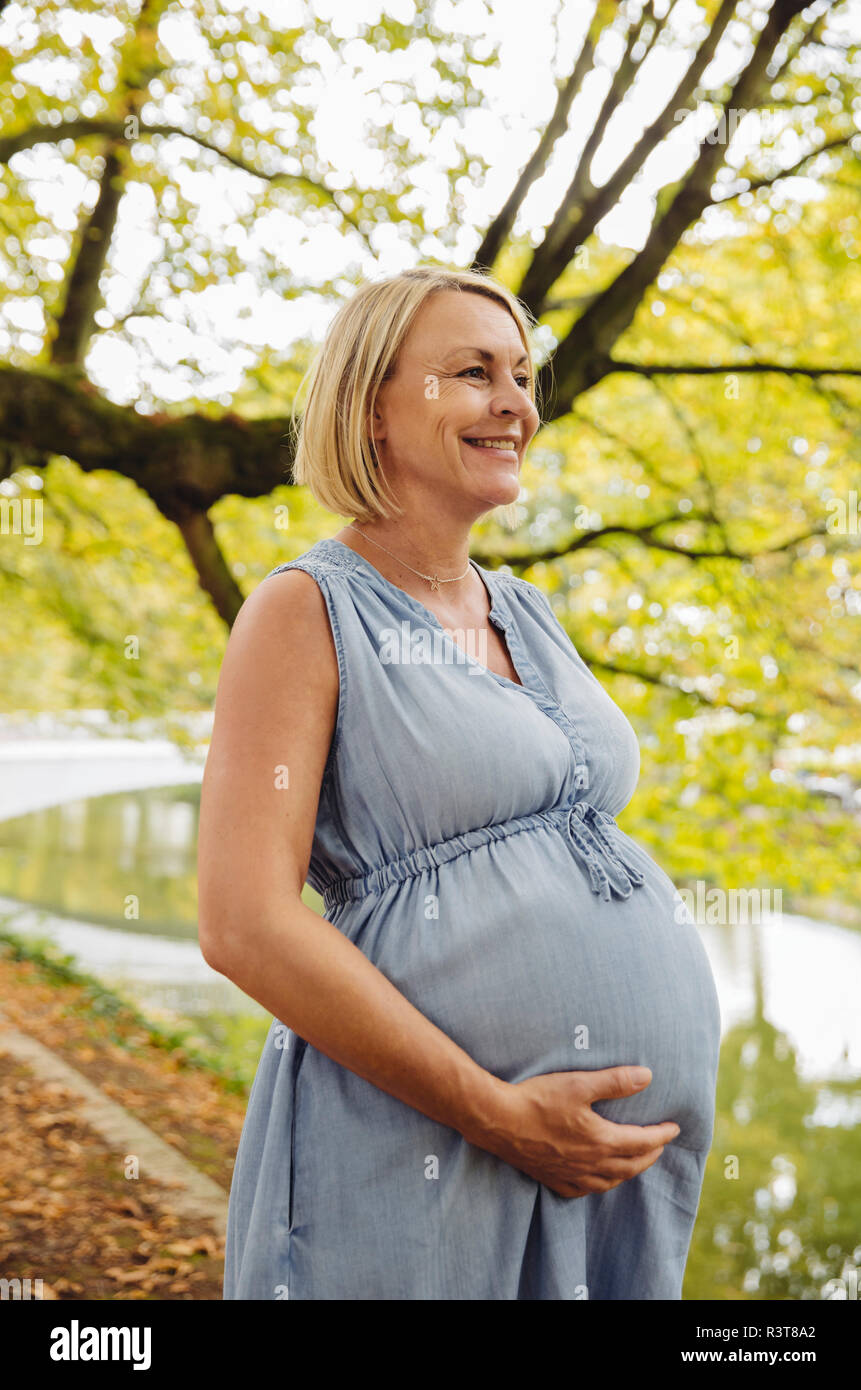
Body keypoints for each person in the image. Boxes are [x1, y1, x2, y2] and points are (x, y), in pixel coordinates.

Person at [197, 265, 721, 1300]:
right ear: (372, 408)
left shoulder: (525, 612)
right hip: (422, 1146)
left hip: (604, 1180)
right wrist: (493, 1108)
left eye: (522, 375)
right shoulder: (306, 610)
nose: (516, 405)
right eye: (473, 373)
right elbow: (243, 921)